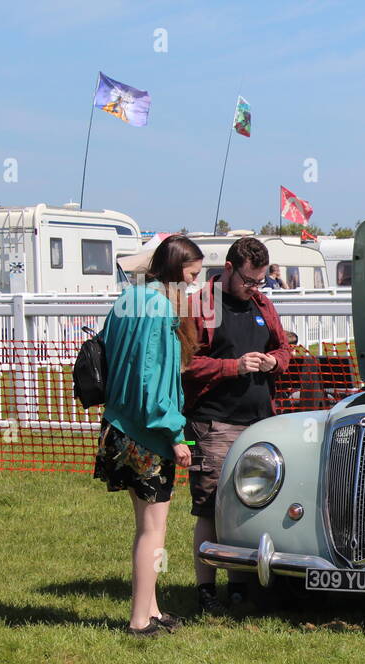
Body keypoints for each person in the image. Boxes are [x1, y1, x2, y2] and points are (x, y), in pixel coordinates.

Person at [94, 235, 203, 635]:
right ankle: (140, 619)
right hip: (148, 434)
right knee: (153, 529)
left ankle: (153, 608)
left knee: (147, 524)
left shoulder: (127, 299)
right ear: (176, 269)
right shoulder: (159, 307)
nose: (192, 285)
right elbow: (153, 381)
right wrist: (175, 434)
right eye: (191, 276)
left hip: (118, 425)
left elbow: (109, 356)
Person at [182, 236, 292, 613]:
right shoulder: (201, 306)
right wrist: (233, 366)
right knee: (212, 507)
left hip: (261, 424)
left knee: (254, 502)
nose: (254, 288)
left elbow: (285, 349)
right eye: (249, 281)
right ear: (228, 269)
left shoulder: (263, 303)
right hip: (214, 423)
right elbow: (185, 365)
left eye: (260, 281)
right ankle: (206, 590)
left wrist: (274, 363)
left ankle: (242, 585)